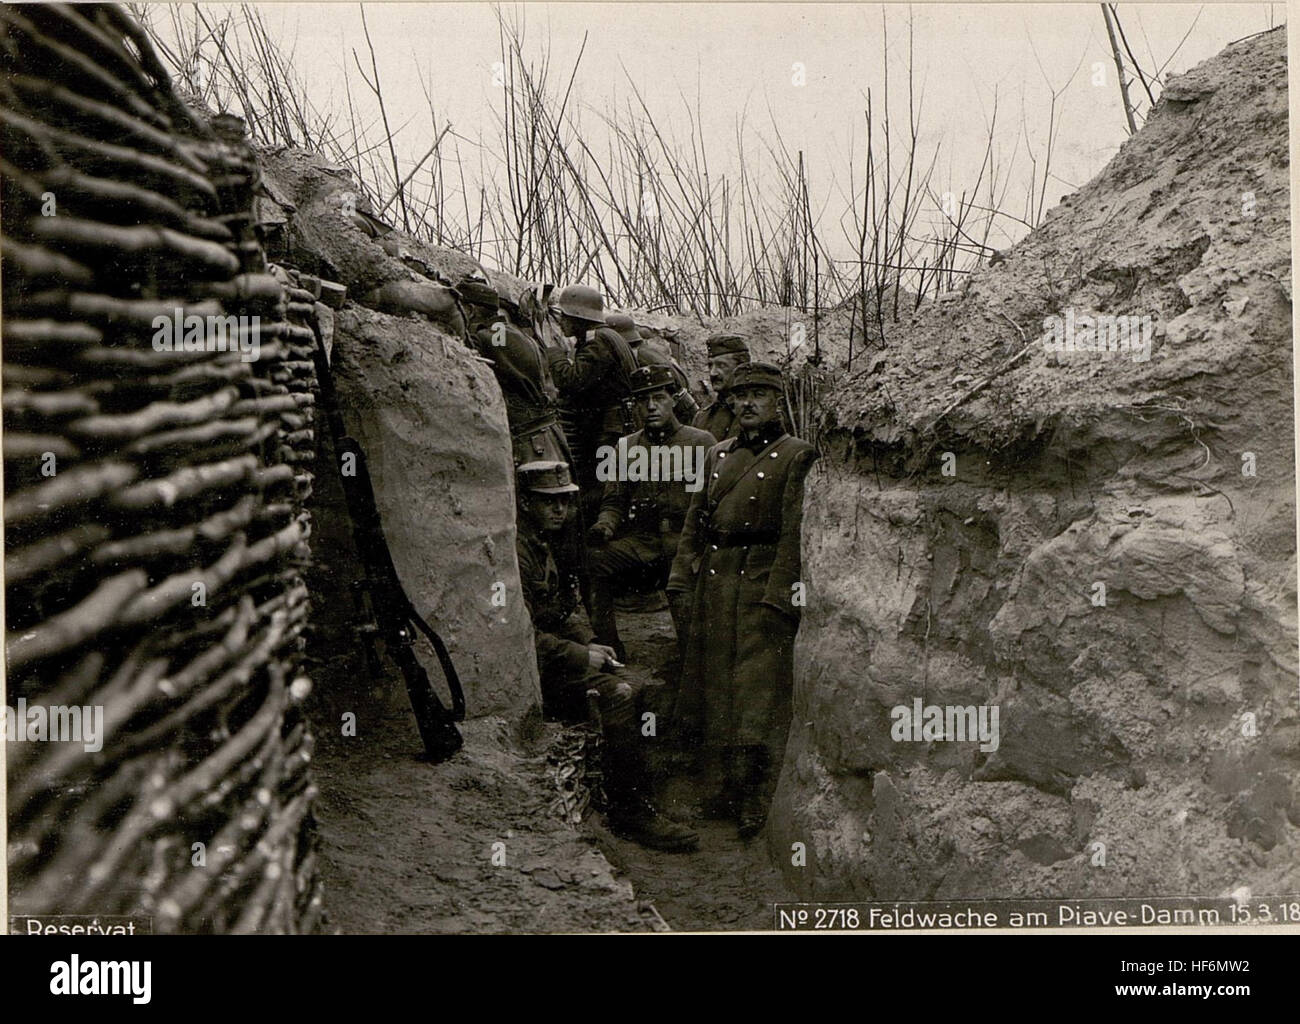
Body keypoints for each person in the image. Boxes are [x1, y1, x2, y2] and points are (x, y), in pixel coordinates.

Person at [515, 461, 699, 853]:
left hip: (558, 656)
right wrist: (580, 655)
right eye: (548, 501)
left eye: (564, 501)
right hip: (537, 668)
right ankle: (629, 811)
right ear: (526, 503)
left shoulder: (550, 542)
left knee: (640, 689)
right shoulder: (520, 552)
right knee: (619, 694)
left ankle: (644, 797)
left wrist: (590, 641)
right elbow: (520, 635)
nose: (559, 510)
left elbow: (564, 611)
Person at [667, 362, 818, 839]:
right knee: (715, 685)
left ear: (777, 402)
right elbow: (695, 521)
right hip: (716, 581)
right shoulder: (718, 454)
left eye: (759, 395)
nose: (747, 404)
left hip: (758, 582)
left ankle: (756, 794)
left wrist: (780, 596)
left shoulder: (796, 455)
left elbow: (794, 534)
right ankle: (722, 787)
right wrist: (680, 577)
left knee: (757, 692)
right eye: (740, 395)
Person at [587, 364, 716, 663]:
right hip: (645, 545)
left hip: (686, 546)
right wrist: (604, 526)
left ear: (673, 399)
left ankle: (691, 665)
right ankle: (609, 650)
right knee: (594, 561)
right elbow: (614, 501)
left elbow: (715, 501)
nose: (650, 406)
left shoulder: (702, 442)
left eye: (658, 397)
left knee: (692, 633)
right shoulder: (626, 447)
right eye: (642, 400)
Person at [545, 285, 639, 523]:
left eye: (565, 317)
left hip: (609, 429)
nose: (561, 323)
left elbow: (572, 380)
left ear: (579, 317)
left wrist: (553, 352)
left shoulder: (598, 341)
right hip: (614, 425)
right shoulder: (607, 336)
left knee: (599, 490)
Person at [459, 274, 569, 466]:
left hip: (530, 444)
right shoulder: (516, 333)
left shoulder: (493, 335)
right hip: (546, 437)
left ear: (470, 310)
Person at [692, 334, 751, 442]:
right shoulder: (702, 417)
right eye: (710, 365)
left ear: (741, 368)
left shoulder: (754, 413)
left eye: (721, 365)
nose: (712, 373)